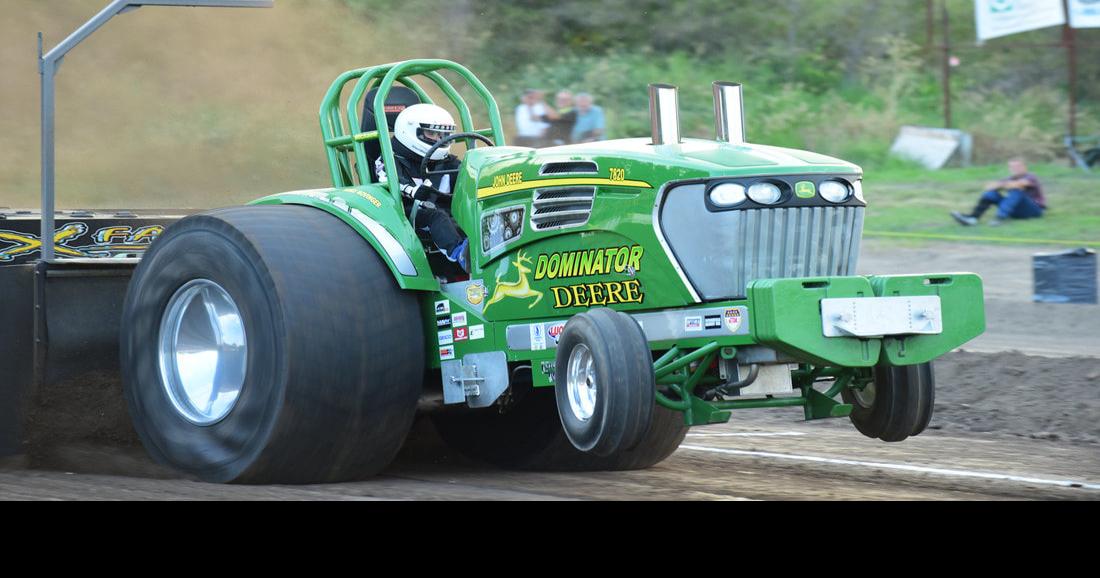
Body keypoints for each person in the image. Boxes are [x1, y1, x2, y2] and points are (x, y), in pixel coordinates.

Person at [376, 103, 468, 270]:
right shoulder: (389, 159)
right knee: (437, 216)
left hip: (442, 212)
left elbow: (470, 178)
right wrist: (413, 191)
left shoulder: (449, 163)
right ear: (410, 132)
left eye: (443, 134)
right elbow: (388, 180)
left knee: (469, 211)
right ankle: (459, 253)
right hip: (406, 214)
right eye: (432, 133)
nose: (440, 139)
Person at [951, 158, 1046, 226]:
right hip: (1015, 211)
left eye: (1018, 166)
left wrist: (1002, 185)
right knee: (990, 194)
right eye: (1012, 167)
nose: (1014, 169)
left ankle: (999, 218)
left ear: (1025, 167)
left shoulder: (1031, 176)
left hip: (1034, 211)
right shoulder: (1010, 178)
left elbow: (1018, 185)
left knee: (1017, 191)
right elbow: (989, 187)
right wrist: (1003, 185)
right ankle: (973, 218)